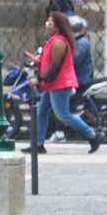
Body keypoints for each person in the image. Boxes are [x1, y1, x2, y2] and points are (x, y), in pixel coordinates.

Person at [22, 11, 100, 154]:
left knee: (63, 115)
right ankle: (38, 144)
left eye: (50, 23)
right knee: (41, 111)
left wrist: (38, 79)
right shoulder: (53, 40)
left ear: (58, 26)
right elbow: (48, 61)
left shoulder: (59, 42)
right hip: (53, 83)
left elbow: (54, 66)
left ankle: (92, 134)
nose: (47, 25)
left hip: (60, 84)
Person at [69, 15, 93, 88]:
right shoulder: (75, 41)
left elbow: (74, 61)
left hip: (80, 81)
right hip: (75, 79)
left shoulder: (82, 42)